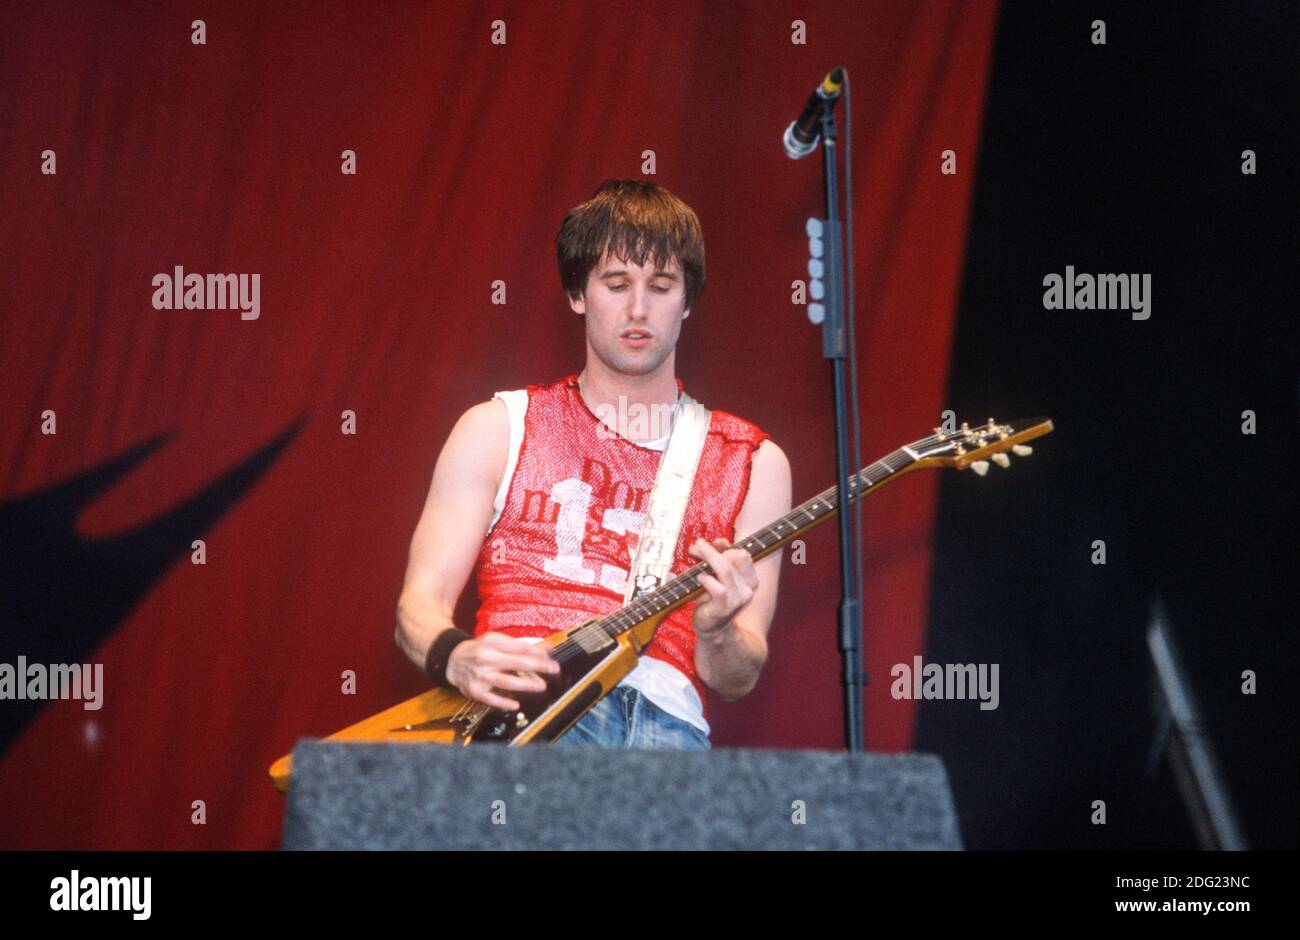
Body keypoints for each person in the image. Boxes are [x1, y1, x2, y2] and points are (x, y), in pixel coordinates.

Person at [393, 179, 792, 749]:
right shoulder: (498, 427)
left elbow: (737, 677)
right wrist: (454, 656)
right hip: (527, 721)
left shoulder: (752, 461)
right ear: (578, 293)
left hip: (667, 737)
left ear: (688, 301)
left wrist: (718, 628)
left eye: (660, 286)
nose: (638, 308)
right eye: (615, 283)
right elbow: (418, 604)